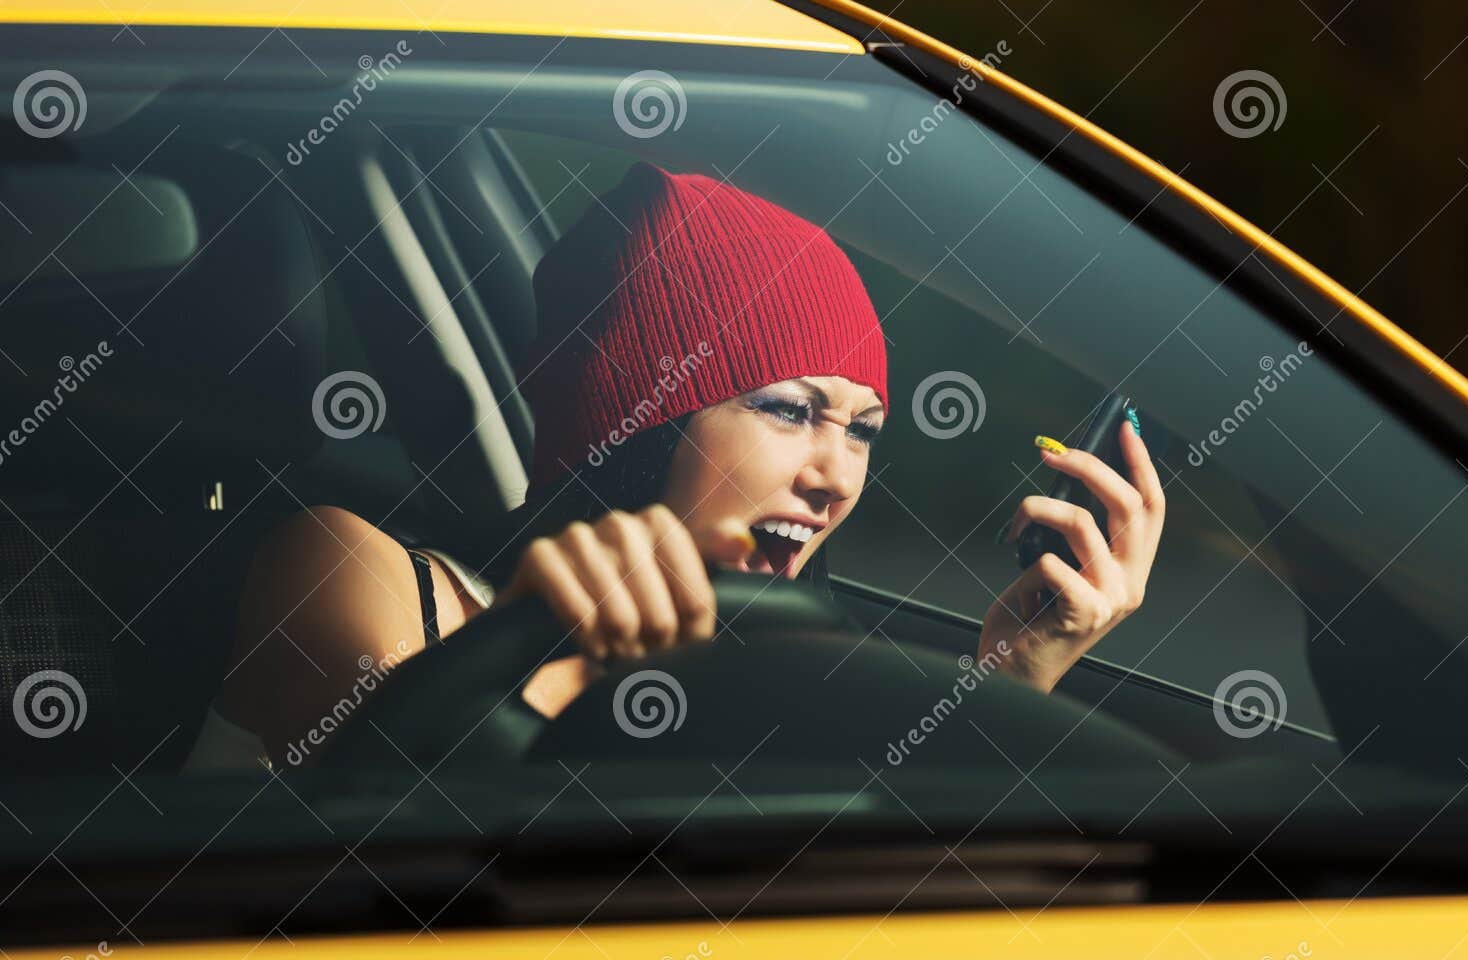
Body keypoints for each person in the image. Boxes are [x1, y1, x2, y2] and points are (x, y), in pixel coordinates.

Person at [182, 162, 1165, 770]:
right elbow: (425, 870)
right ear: (639, 422)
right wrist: (560, 653)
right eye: (788, 410)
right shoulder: (351, 571)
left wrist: (1016, 670)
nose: (836, 476)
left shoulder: (764, 664)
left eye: (863, 429)